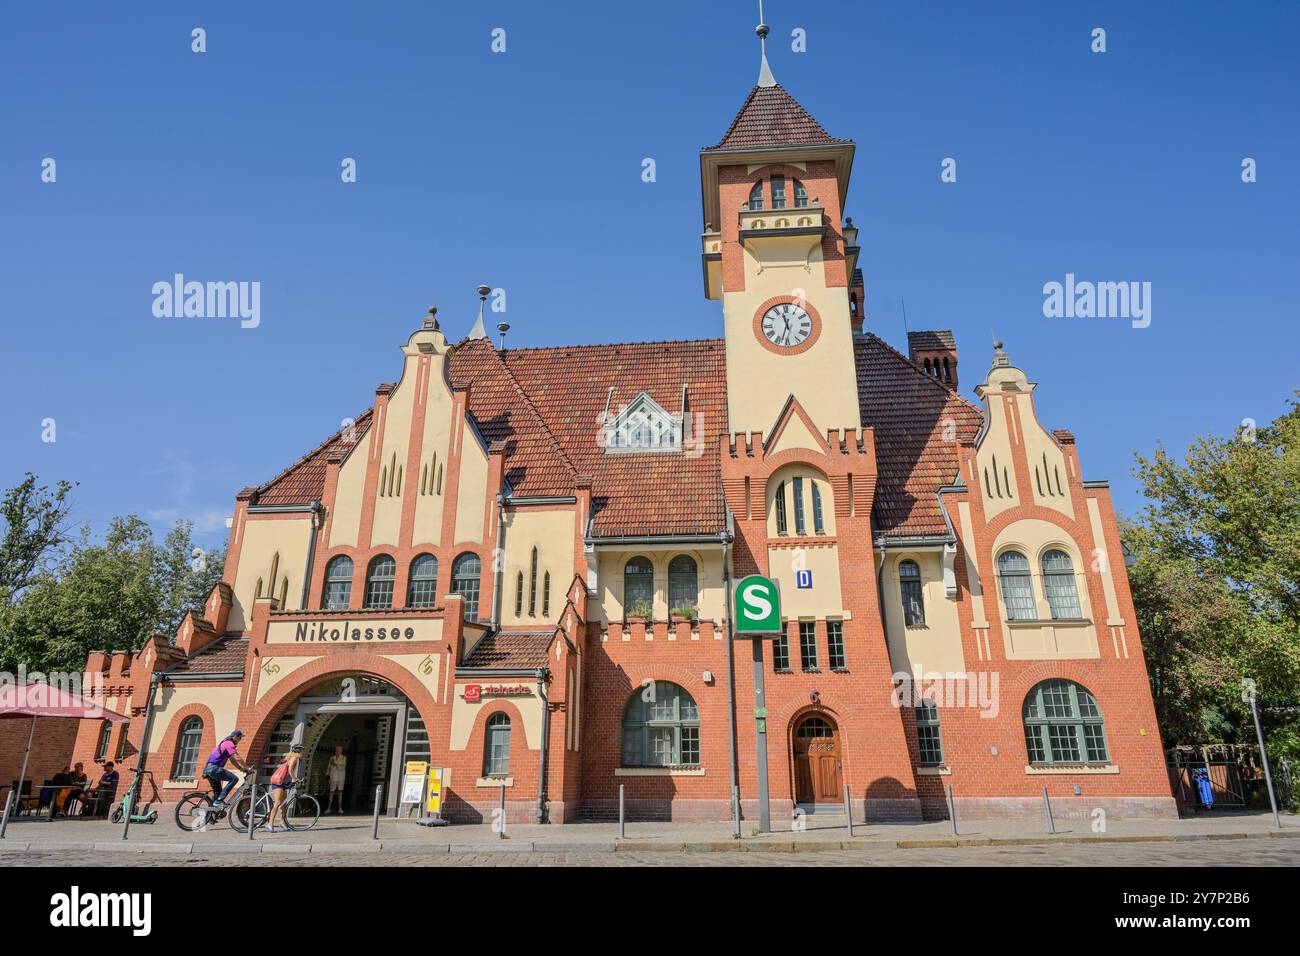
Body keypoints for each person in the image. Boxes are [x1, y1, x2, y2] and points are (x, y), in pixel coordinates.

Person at [202, 730, 253, 807]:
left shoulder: (225, 743)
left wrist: (241, 768)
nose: (240, 740)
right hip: (214, 768)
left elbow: (232, 760)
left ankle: (208, 816)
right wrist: (247, 768)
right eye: (240, 738)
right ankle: (219, 801)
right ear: (235, 737)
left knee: (218, 793)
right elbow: (237, 758)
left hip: (208, 769)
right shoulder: (229, 744)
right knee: (234, 779)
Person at [265, 746, 302, 833]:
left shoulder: (290, 757)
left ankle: (282, 823)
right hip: (278, 782)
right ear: (299, 751)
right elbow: (290, 770)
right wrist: (295, 778)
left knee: (283, 804)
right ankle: (270, 824)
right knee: (278, 803)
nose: (303, 752)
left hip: (283, 783)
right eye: (302, 750)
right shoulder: (294, 758)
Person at [326, 745, 347, 813]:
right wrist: (327, 775)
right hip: (333, 777)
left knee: (340, 792)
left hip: (341, 777)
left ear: (341, 750)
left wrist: (335, 764)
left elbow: (342, 767)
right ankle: (329, 808)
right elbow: (328, 767)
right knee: (331, 792)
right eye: (336, 750)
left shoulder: (344, 758)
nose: (337, 751)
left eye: (339, 750)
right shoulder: (332, 758)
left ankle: (340, 808)